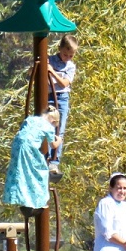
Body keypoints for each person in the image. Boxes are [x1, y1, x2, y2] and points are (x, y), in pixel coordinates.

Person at [2, 108, 61, 211]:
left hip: (17, 145)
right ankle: (38, 201)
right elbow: (53, 145)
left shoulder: (30, 119)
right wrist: (59, 140)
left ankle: (17, 195)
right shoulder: (48, 127)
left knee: (19, 170)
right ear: (53, 121)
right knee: (40, 171)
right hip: (29, 148)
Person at [47, 34, 78, 174]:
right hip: (48, 97)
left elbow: (64, 83)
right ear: (59, 49)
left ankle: (54, 161)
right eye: (65, 54)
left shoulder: (70, 67)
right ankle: (45, 158)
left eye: (70, 56)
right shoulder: (50, 60)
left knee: (59, 129)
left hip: (62, 98)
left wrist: (51, 71)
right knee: (47, 127)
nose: (67, 58)